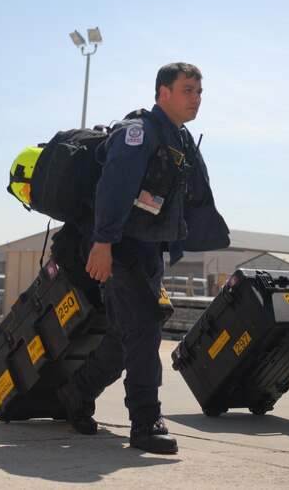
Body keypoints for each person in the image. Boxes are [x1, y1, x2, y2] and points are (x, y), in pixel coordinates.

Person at [56, 63, 229, 454]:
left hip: (146, 250)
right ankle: (145, 421)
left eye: (199, 91)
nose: (196, 98)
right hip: (116, 246)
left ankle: (76, 392)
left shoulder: (179, 140)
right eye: (187, 90)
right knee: (146, 327)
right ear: (162, 93)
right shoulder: (140, 133)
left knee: (123, 334)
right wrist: (102, 244)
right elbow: (114, 189)